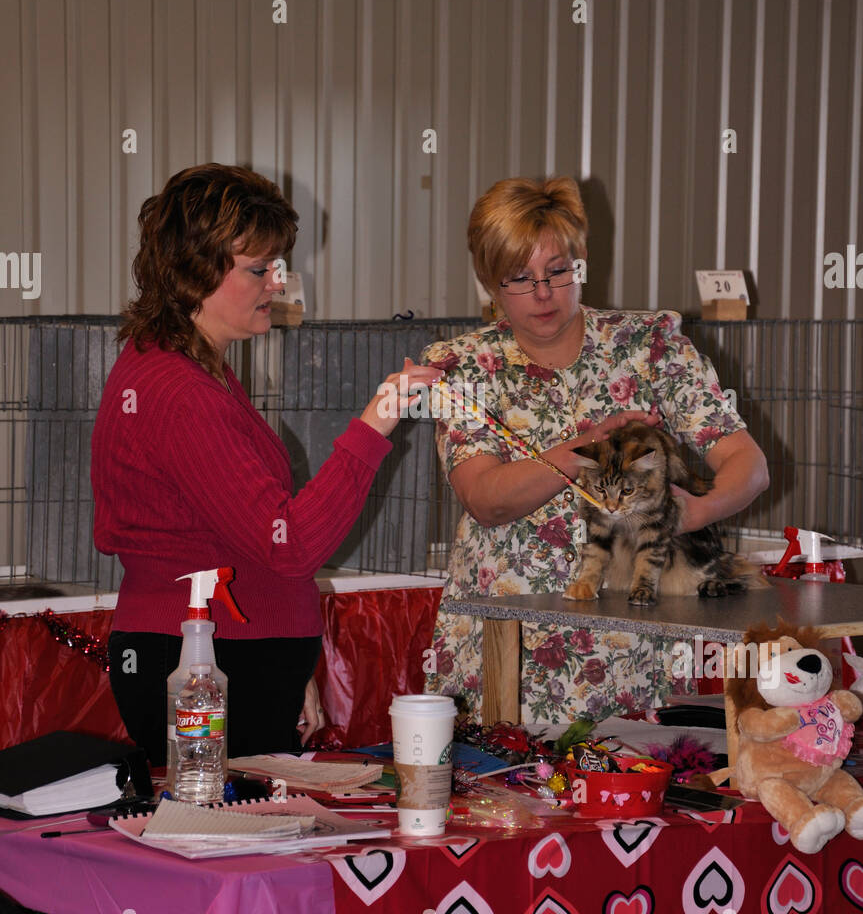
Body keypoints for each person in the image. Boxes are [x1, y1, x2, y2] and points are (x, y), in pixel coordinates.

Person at [91, 163, 438, 764]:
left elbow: (248, 542)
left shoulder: (195, 371)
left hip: (231, 658)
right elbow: (292, 544)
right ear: (195, 271)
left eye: (276, 267)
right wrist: (377, 421)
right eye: (258, 269)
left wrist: (289, 658)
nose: (276, 284)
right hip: (204, 665)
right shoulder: (179, 391)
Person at [421, 175, 769, 725]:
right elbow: (486, 499)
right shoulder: (464, 366)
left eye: (558, 271)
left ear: (581, 260)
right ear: (488, 280)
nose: (542, 294)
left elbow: (748, 465)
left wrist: (696, 510)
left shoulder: (649, 347)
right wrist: (582, 448)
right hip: (504, 647)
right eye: (518, 278)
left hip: (630, 650)